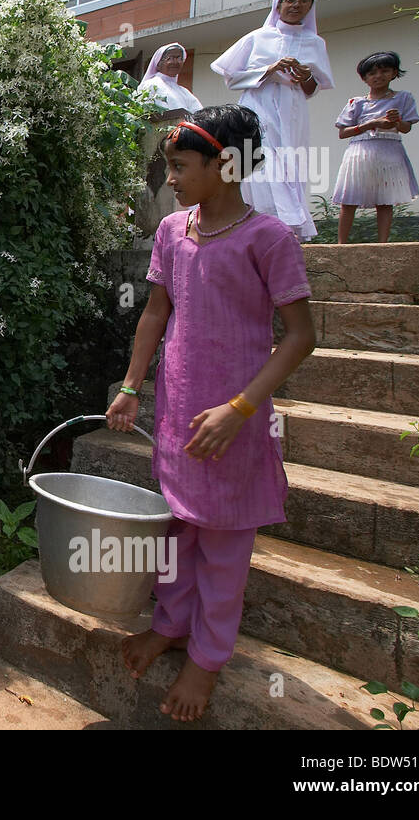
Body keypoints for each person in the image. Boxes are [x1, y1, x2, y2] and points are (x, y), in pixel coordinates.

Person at [105, 104, 316, 722]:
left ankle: (208, 656)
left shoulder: (268, 239)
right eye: (167, 166)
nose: (169, 177)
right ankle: (170, 624)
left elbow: (301, 336)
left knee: (223, 542)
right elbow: (154, 314)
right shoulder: (173, 231)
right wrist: (131, 385)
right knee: (177, 526)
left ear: (228, 164)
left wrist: (241, 408)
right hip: (178, 408)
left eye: (179, 165)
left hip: (236, 416)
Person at [210, 0, 334, 242]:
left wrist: (304, 76)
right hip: (258, 106)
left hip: (293, 112)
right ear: (278, 4)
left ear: (312, 5)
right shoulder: (257, 38)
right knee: (259, 162)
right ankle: (250, 224)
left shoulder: (315, 43)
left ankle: (285, 230)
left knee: (289, 165)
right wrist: (270, 69)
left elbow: (313, 88)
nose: (297, 4)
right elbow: (231, 77)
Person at [331, 51, 419, 244]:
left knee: (385, 200)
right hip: (359, 151)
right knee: (349, 198)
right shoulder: (356, 103)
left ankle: (383, 244)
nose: (378, 76)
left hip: (389, 150)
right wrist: (372, 123)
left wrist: (396, 122)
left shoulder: (403, 98)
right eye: (372, 73)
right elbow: (343, 132)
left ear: (394, 73)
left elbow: (406, 129)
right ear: (364, 78)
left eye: (384, 71)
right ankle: (341, 245)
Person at [138, 43, 203, 113]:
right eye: (170, 58)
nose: (175, 62)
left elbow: (199, 113)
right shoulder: (150, 85)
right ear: (158, 64)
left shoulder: (184, 92)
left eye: (179, 58)